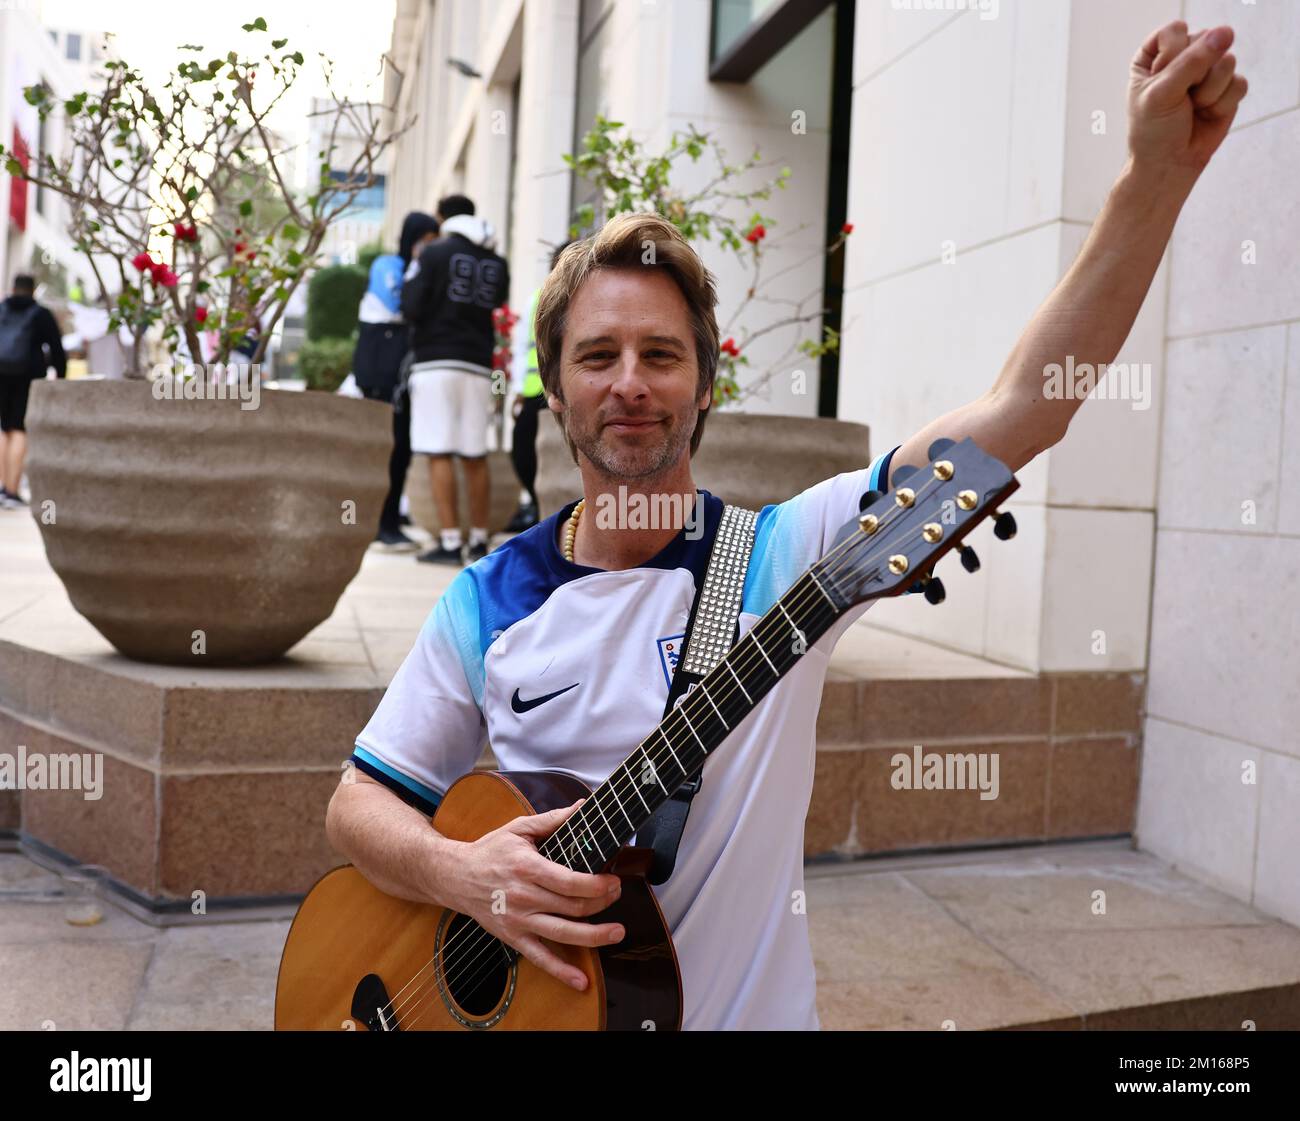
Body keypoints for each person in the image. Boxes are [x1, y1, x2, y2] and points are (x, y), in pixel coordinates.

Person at [324, 21, 1247, 1029]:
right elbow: (356, 805)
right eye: (597, 356)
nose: (630, 384)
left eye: (660, 354)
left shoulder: (786, 554)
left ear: (705, 382)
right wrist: (458, 870)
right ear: (555, 392)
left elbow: (1027, 407)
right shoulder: (486, 598)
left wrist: (1150, 178)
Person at [400, 194, 510, 565]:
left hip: (436, 362)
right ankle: (478, 541)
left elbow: (410, 306)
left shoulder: (431, 254)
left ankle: (449, 543)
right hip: (479, 365)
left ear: (442, 217)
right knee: (474, 453)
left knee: (438, 450)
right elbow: (498, 307)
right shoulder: (497, 261)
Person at [354, 211, 440, 550]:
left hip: (401, 372)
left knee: (400, 448)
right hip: (380, 367)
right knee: (385, 448)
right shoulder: (388, 265)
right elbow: (399, 304)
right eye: (427, 240)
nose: (430, 248)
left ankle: (388, 521)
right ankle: (378, 523)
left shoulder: (418, 269)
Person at [504, 239, 573, 533]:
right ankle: (536, 504)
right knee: (522, 451)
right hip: (537, 391)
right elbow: (522, 347)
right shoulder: (538, 299)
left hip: (569, 392)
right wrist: (518, 390)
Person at [0, 275, 66, 510]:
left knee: (3, 429)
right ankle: (11, 490)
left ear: (13, 288)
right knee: (19, 429)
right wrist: (60, 377)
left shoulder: (2, 309)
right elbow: (57, 349)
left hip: (1, 375)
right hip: (27, 377)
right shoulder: (40, 314)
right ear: (33, 289)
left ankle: (1, 486)